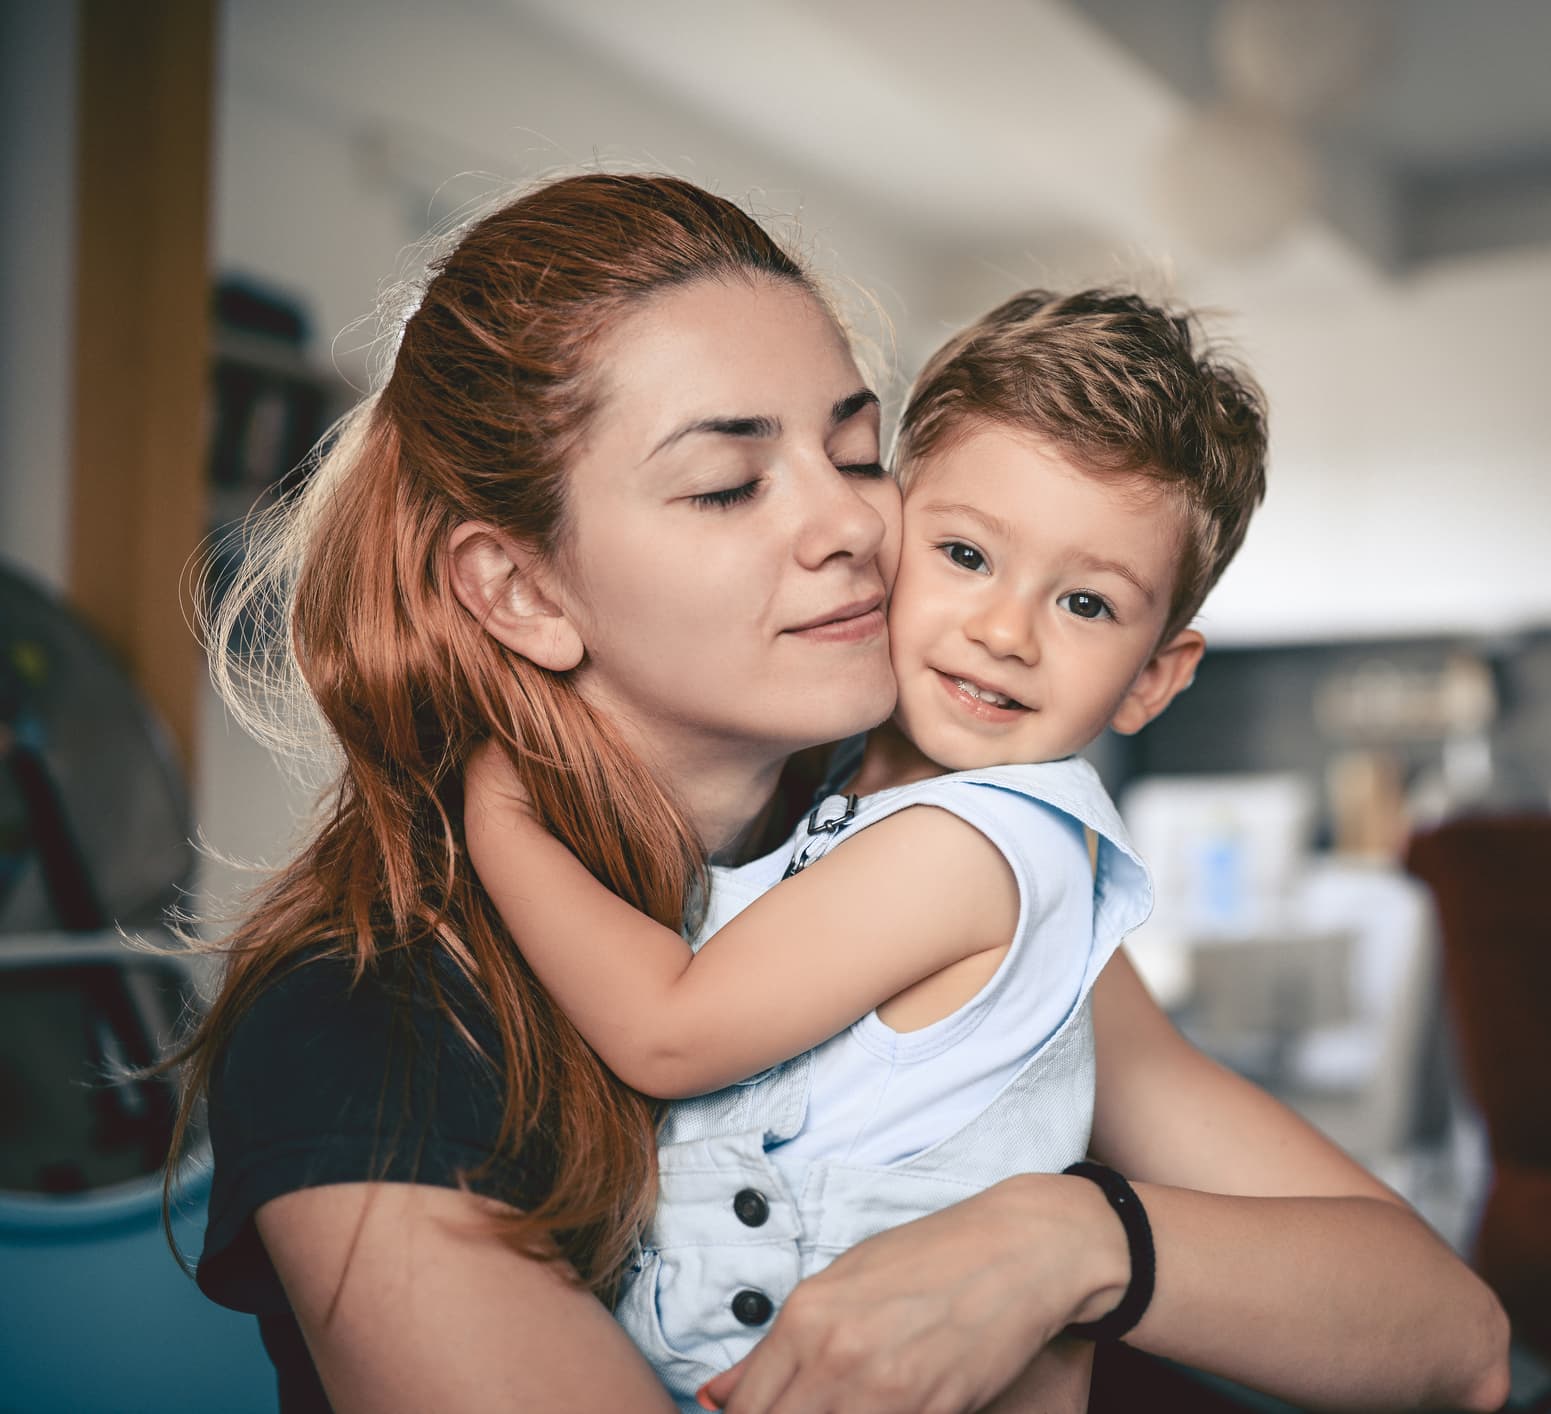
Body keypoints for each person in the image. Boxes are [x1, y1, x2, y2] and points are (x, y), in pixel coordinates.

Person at [171, 172, 1510, 1413]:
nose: (856, 526)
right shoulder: (367, 1023)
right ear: (522, 590)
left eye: (859, 453)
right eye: (727, 485)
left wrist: (1067, 1241)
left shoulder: (935, 868)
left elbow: (1453, 1335)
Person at [464, 286, 1254, 1404]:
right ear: (887, 536)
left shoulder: (978, 846)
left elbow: (668, 1031)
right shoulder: (843, 795)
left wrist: (495, 810)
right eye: (966, 554)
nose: (1003, 630)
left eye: (1085, 604)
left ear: (1154, 678)